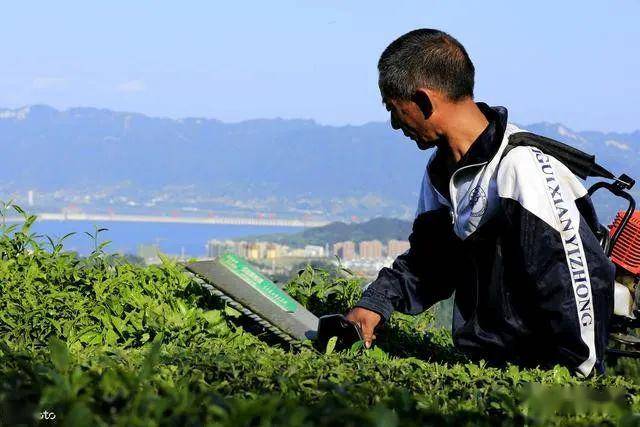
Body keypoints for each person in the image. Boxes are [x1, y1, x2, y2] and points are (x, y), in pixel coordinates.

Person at [345, 29, 615, 377]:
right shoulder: (440, 173)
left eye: (395, 110)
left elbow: (577, 281)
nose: (395, 124)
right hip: (486, 368)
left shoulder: (521, 167)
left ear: (424, 101)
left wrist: (578, 375)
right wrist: (376, 303)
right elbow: (430, 263)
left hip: (541, 377)